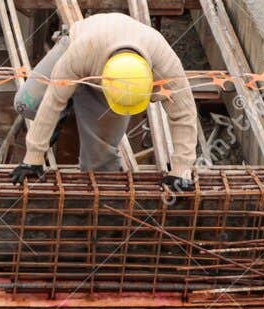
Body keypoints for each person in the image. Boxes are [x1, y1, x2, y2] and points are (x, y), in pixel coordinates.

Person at [10, 12, 199, 190]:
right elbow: (53, 100)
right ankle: (68, 110)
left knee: (99, 167)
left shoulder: (165, 64)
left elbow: (183, 114)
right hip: (78, 44)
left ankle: (81, 112)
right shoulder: (80, 53)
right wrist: (33, 157)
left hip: (107, 60)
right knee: (27, 104)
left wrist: (181, 170)